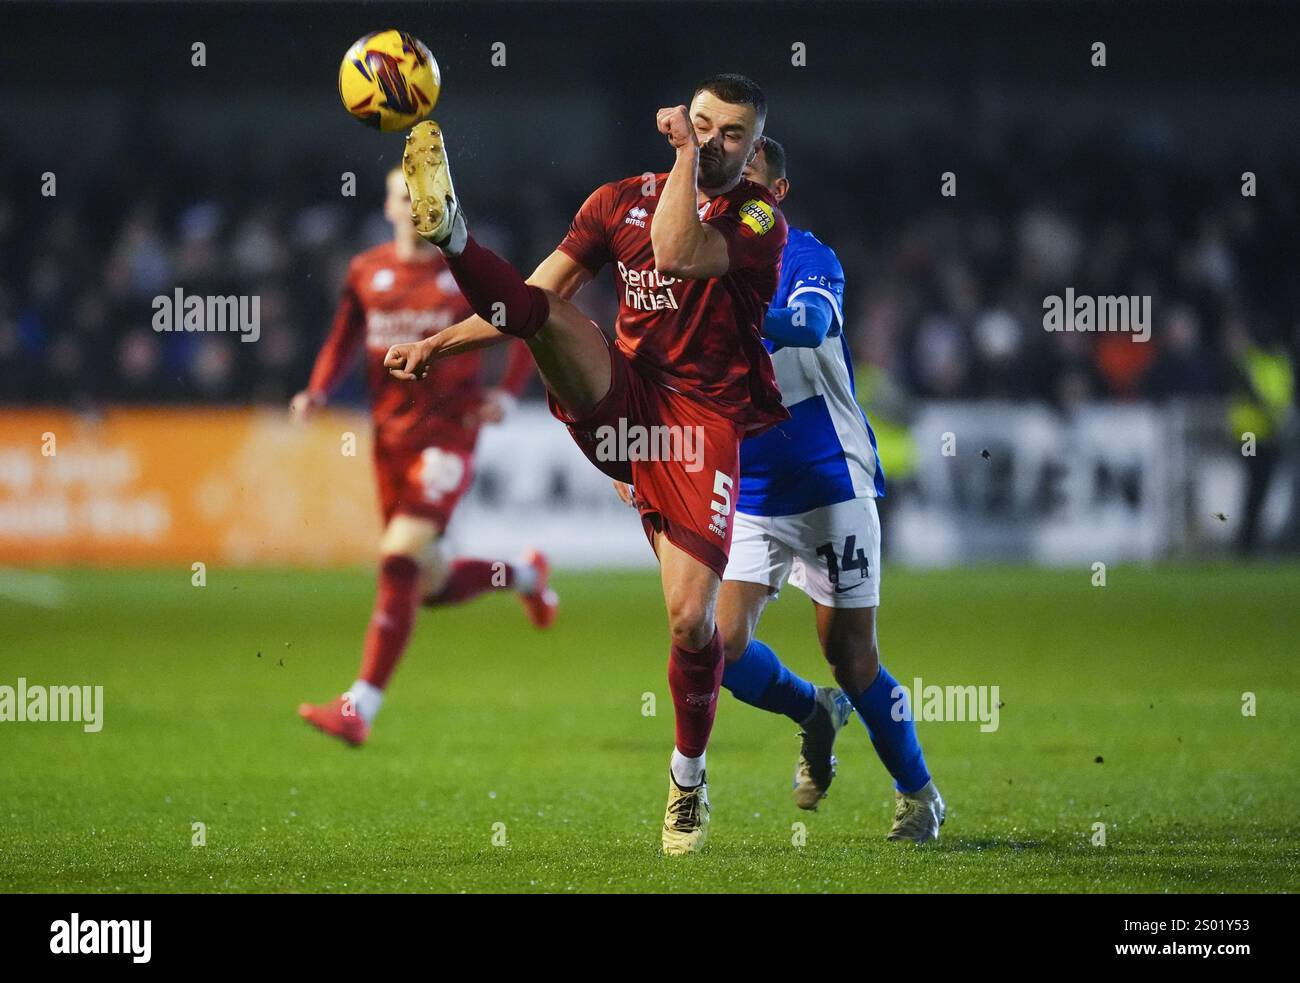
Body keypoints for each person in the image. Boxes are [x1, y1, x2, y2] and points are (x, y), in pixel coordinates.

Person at [385, 75, 788, 854]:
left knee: (691, 621)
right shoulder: (616, 202)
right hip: (624, 399)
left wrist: (684, 151)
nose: (713, 141)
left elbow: (677, 251)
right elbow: (527, 298)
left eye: (731, 134)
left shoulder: (757, 218)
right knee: (545, 315)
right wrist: (438, 344)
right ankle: (455, 234)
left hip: (700, 428)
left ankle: (688, 777)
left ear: (752, 149)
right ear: (685, 117)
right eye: (703, 123)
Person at [617, 137, 945, 842]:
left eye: (749, 178)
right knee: (718, 644)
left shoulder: (805, 256)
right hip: (747, 488)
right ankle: (812, 711)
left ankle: (919, 793)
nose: (732, 191)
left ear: (778, 192)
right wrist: (637, 456)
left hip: (829, 480)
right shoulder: (684, 264)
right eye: (720, 180)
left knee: (852, 658)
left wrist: (731, 310)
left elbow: (812, 323)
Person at [294, 167, 557, 747]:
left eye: (421, 198)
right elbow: (343, 338)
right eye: (402, 198)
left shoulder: (461, 271)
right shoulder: (366, 271)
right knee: (427, 584)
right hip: (389, 442)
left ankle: (358, 706)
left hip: (449, 435)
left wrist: (506, 393)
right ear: (388, 208)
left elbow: (525, 317)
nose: (413, 208)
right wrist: (317, 390)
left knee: (398, 556)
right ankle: (525, 574)